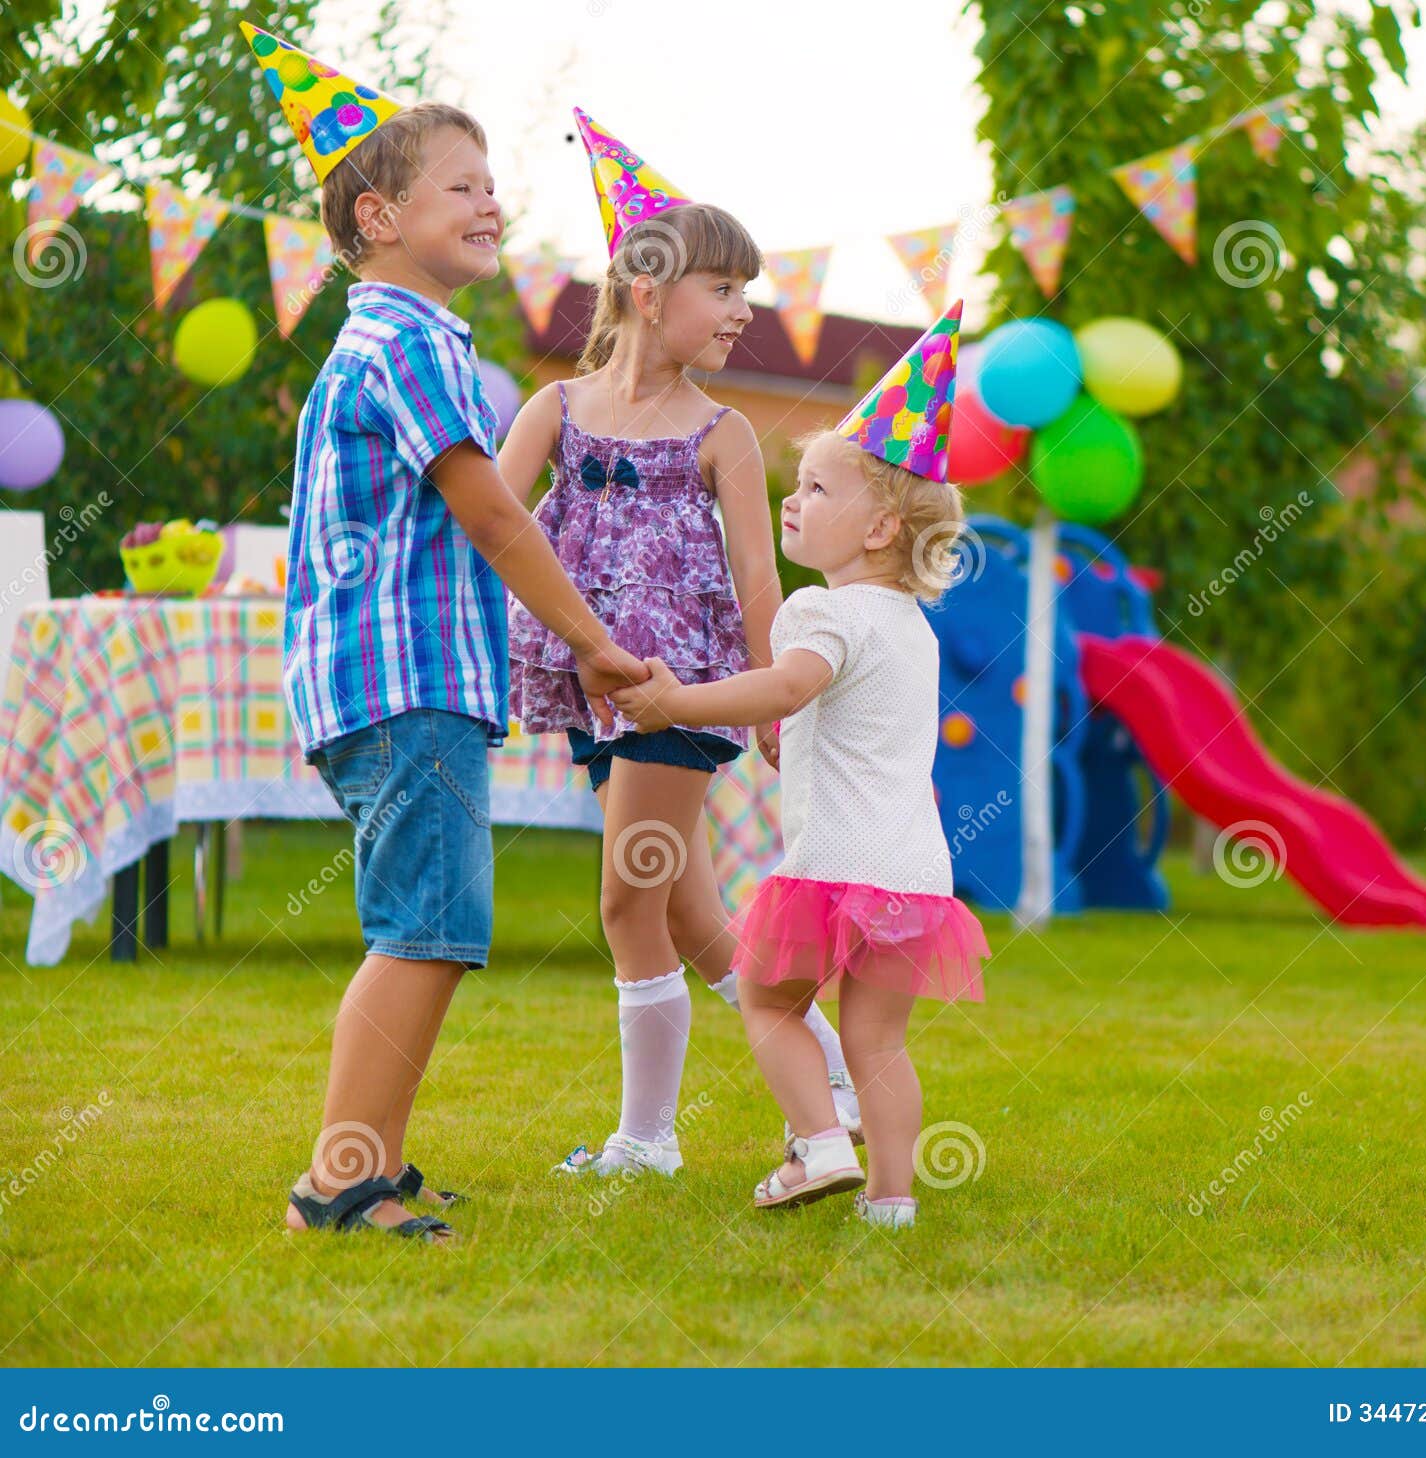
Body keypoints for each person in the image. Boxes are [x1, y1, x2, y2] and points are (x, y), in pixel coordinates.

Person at [241, 27, 643, 1242]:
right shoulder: (403, 341)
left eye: (490, 186)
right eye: (460, 186)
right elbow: (491, 513)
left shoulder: (404, 341)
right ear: (376, 217)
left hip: (405, 685)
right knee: (422, 929)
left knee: (429, 926)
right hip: (402, 685)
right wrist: (592, 642)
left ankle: (376, 1159)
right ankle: (338, 1182)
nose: (492, 203)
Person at [501, 109, 858, 1179]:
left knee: (625, 897)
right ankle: (831, 1083)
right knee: (694, 916)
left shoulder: (725, 433)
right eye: (724, 289)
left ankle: (645, 1141)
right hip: (595, 689)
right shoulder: (554, 408)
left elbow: (760, 582)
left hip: (678, 690)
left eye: (747, 291)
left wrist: (777, 705)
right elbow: (489, 523)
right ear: (650, 291)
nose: (743, 313)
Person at [613, 304, 989, 1229]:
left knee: (765, 994)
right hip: (914, 876)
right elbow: (838, 714)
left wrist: (675, 702)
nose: (792, 498)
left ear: (879, 530)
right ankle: (891, 1202)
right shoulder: (912, 626)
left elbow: (780, 691)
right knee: (879, 1044)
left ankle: (819, 1145)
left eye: (817, 489)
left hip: (833, 865)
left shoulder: (821, 613)